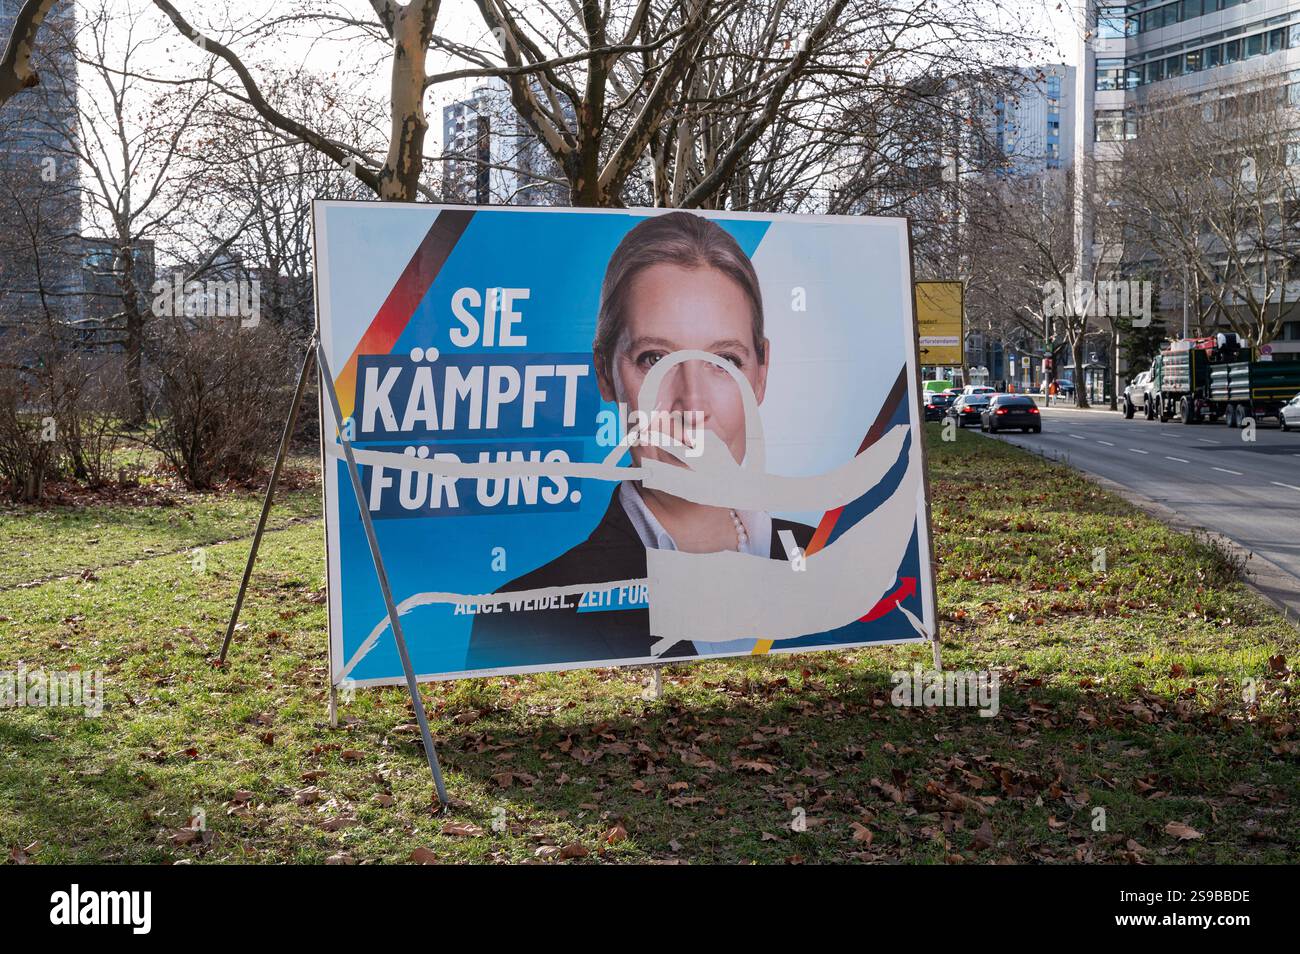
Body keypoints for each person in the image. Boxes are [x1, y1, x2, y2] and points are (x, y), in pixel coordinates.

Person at [466, 212, 814, 669]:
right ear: (605, 373)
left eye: (723, 360)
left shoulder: (833, 557)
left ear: (761, 372)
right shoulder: (520, 616)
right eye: (654, 359)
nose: (691, 402)